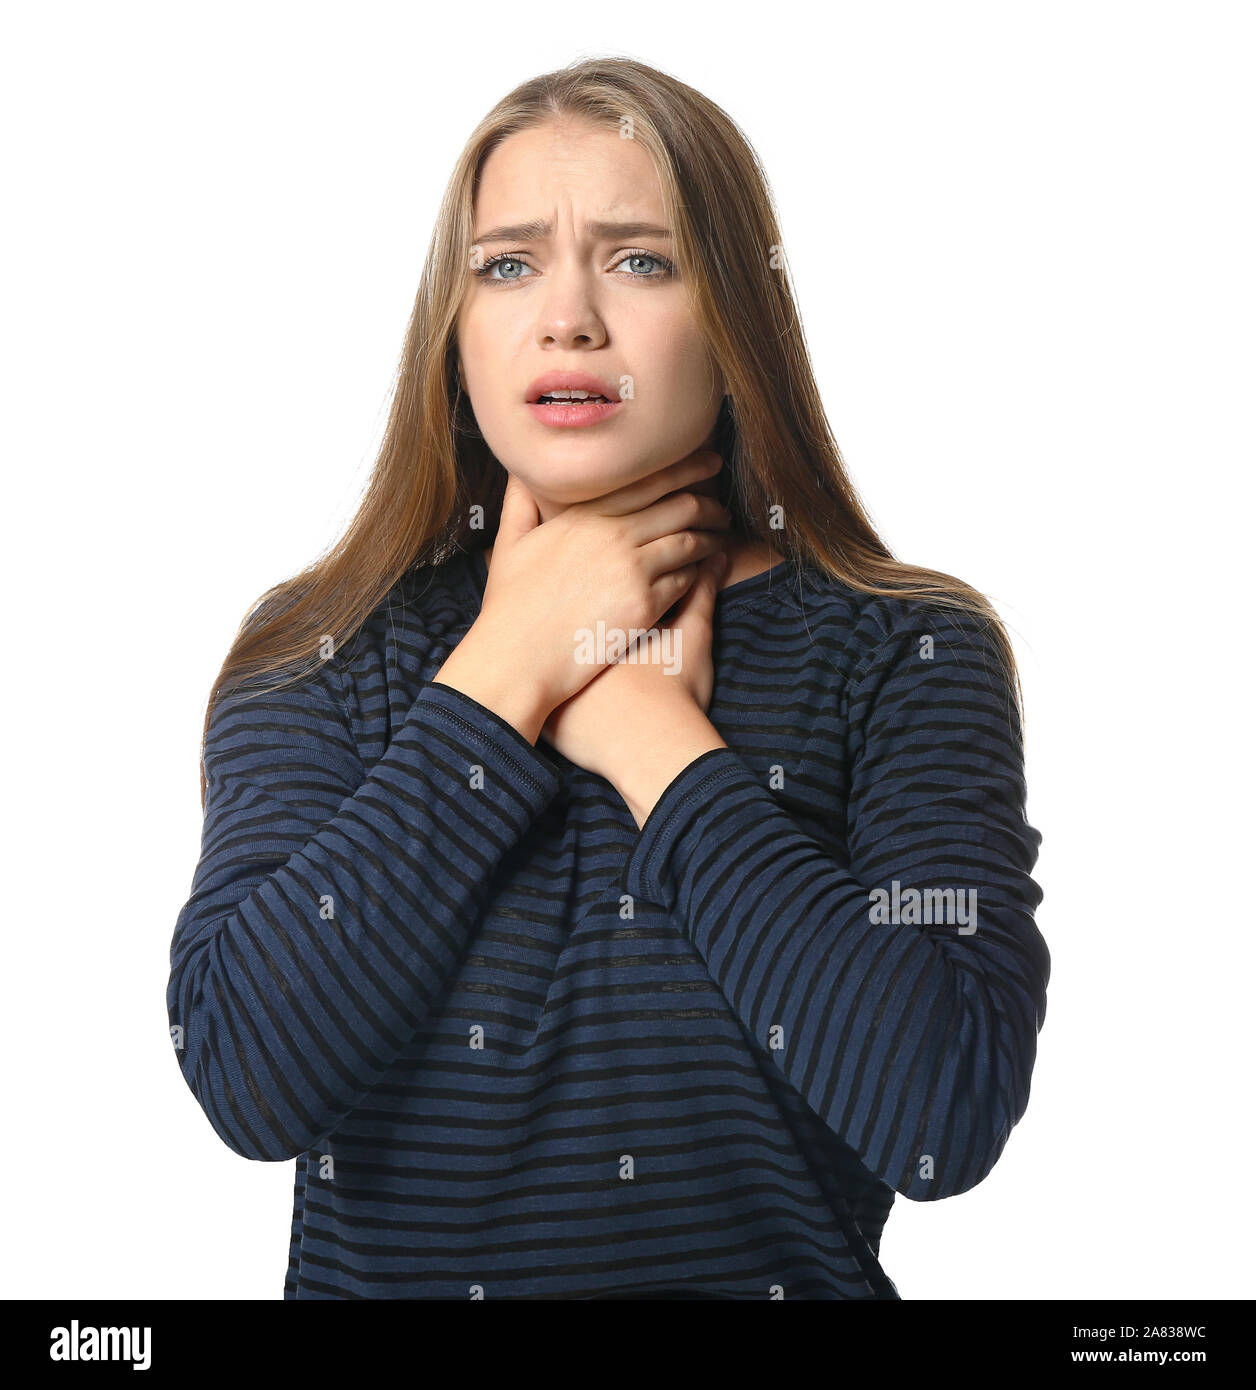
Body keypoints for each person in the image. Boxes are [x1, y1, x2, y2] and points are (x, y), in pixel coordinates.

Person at [166, 55, 1050, 1300]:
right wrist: (500, 677)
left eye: (639, 259)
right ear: (455, 332)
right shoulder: (325, 645)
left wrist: (655, 744)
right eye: (508, 263)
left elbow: (939, 1109)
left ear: (735, 320)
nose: (566, 315)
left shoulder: (900, 650)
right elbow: (249, 1075)